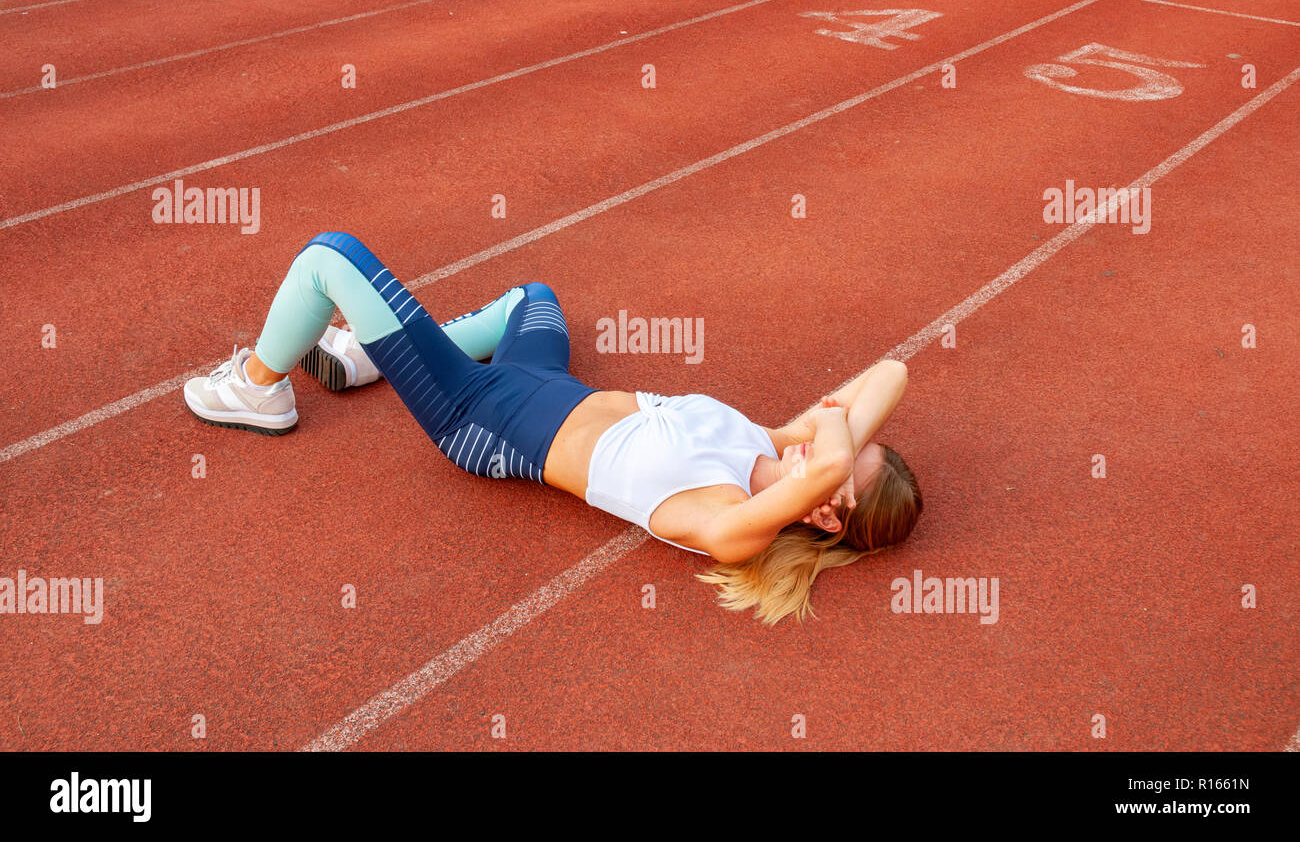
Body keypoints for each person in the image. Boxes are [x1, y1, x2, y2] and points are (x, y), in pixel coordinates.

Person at [185, 232, 921, 623]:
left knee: (329, 257)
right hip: (543, 379)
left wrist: (830, 452)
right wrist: (832, 438)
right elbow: (891, 372)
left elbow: (825, 467)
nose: (831, 441)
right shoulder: (770, 442)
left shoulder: (733, 524)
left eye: (839, 464)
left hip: (479, 414)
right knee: (531, 298)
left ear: (826, 512)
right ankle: (366, 357)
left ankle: (259, 390)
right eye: (848, 442)